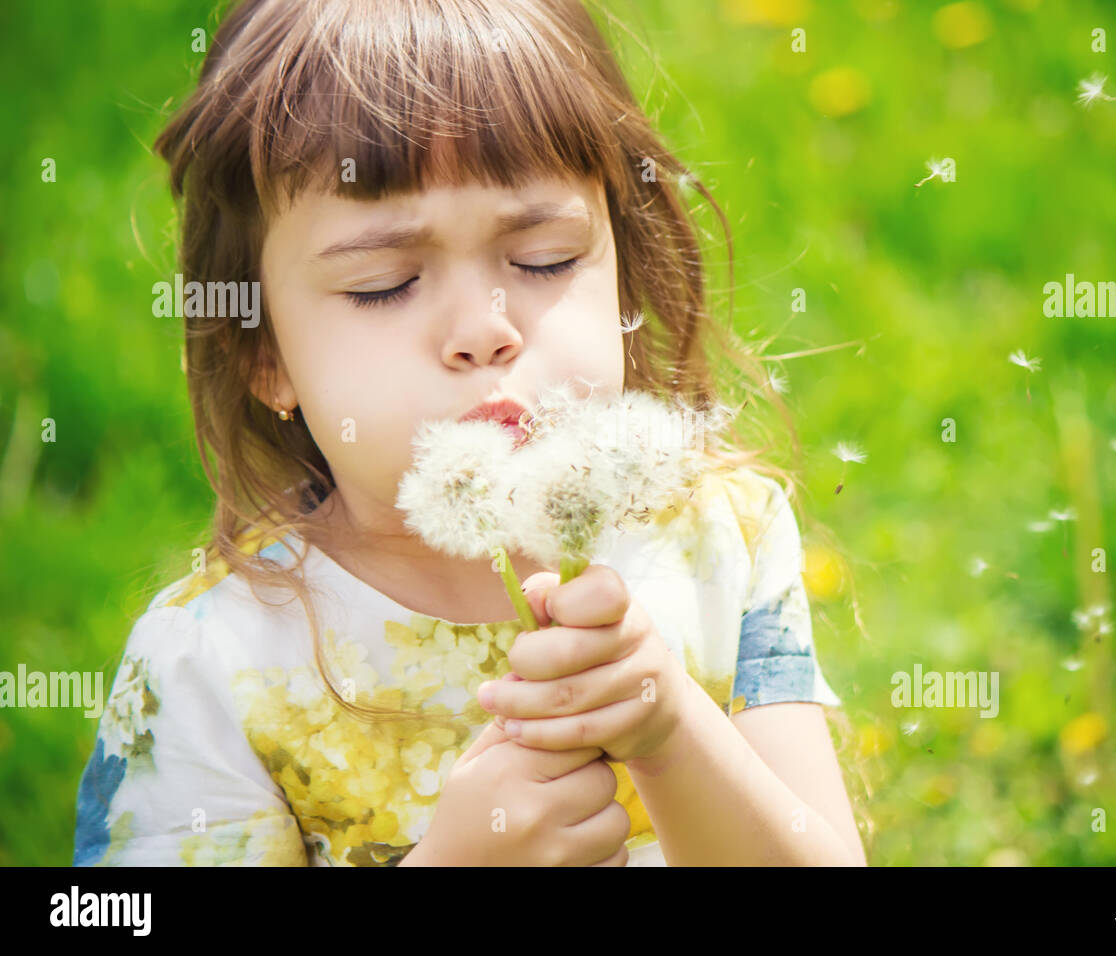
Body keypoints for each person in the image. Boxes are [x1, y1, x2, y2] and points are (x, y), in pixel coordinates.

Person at [73, 0, 864, 867]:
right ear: (265, 355)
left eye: (543, 261)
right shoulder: (212, 670)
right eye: (383, 283)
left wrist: (672, 734)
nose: (485, 329)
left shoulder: (722, 540)